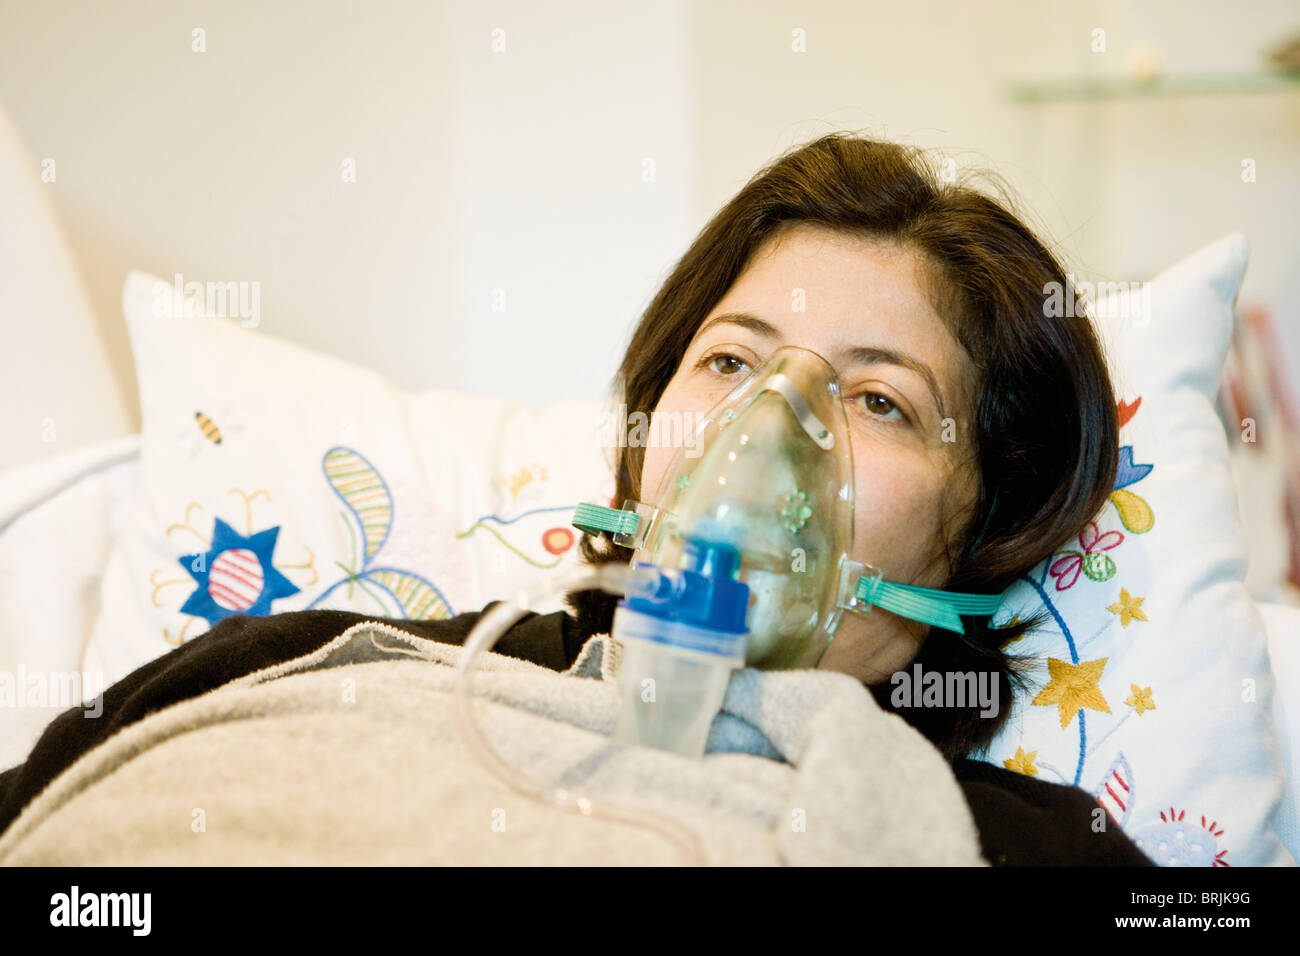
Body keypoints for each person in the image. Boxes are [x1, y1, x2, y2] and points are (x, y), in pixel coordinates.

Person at [0, 132, 1152, 866]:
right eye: (732, 363)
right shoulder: (321, 667)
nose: (770, 425)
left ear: (987, 525)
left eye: (878, 399)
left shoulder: (1023, 852)